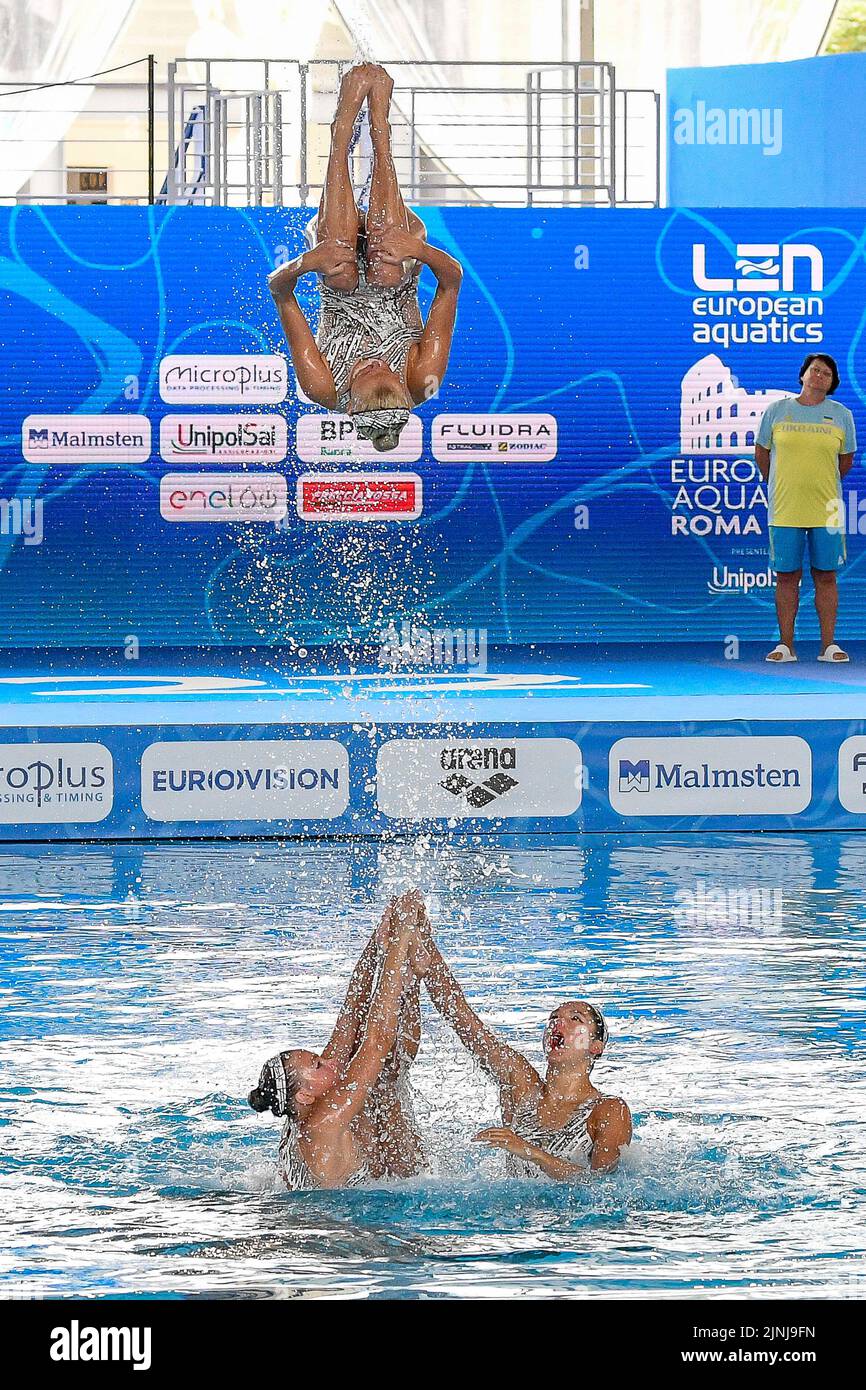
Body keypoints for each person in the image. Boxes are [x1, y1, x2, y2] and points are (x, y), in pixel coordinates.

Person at [268, 63, 463, 452]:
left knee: (339, 268)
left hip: (335, 257)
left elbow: (280, 291)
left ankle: (340, 134)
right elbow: (452, 281)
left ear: (351, 401)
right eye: (390, 373)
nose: (379, 363)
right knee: (388, 268)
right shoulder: (422, 377)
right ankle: (380, 127)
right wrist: (419, 251)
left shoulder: (322, 386)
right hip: (399, 252)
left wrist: (307, 262)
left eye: (367, 373)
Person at [416, 901, 632, 1181]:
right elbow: (464, 1020)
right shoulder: (521, 1087)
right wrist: (422, 944)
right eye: (554, 1017)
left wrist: (528, 1151)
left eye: (575, 1019)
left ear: (595, 1046)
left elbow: (603, 1185)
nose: (558, 1023)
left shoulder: (609, 1110)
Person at [248, 891, 429, 1189]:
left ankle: (409, 980)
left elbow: (348, 1022)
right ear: (305, 1095)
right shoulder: (323, 1123)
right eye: (318, 1065)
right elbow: (378, 1041)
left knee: (377, 1083)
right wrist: (403, 936)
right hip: (348, 1230)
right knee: (382, 1081)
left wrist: (378, 944)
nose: (329, 1060)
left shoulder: (303, 1109)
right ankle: (411, 981)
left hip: (332, 1207)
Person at [756, 352, 857, 664]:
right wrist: (781, 486)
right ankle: (785, 646)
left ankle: (829, 646)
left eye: (826, 374)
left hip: (827, 509)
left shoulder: (842, 415)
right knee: (787, 576)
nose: (819, 377)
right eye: (815, 370)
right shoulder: (776, 411)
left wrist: (819, 483)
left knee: (826, 575)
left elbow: (845, 462)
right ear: (803, 375)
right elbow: (762, 454)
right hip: (785, 509)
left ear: (832, 383)